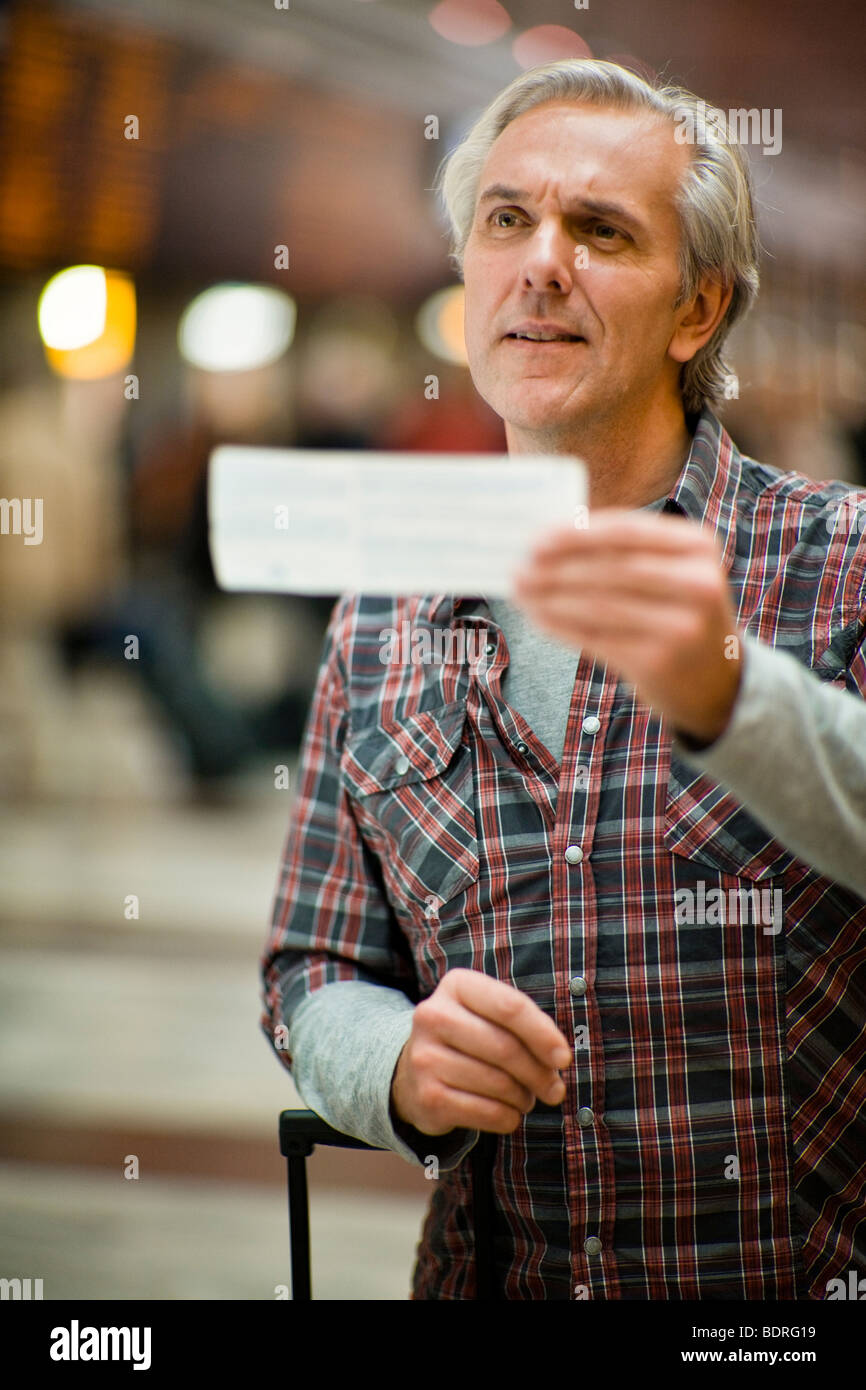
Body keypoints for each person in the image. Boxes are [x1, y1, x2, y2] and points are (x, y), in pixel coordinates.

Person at [260, 58, 866, 1300]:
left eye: (598, 230)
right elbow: (309, 966)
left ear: (695, 312)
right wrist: (392, 1065)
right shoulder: (387, 604)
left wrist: (734, 698)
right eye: (504, 219)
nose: (539, 261)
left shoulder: (840, 561)